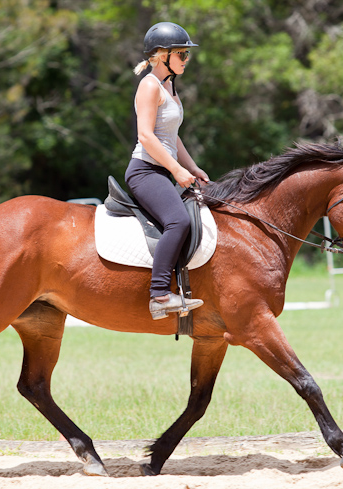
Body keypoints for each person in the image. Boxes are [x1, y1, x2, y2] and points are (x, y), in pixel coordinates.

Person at [125, 22, 209, 320]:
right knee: (178, 221)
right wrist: (176, 170)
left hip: (163, 169)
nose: (186, 60)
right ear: (162, 55)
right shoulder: (149, 86)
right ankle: (159, 294)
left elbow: (172, 136)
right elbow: (146, 136)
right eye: (182, 55)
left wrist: (193, 167)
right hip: (146, 171)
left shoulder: (169, 85)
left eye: (187, 55)